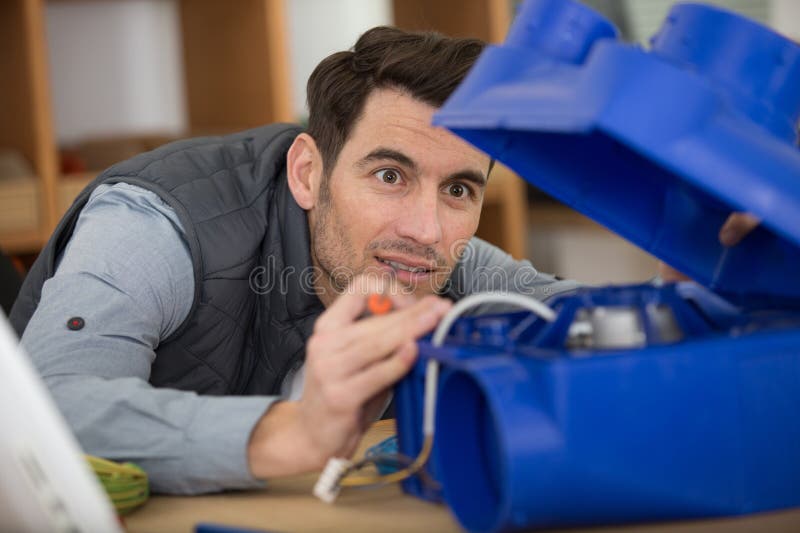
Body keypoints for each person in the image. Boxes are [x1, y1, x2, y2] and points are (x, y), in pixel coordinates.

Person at [10, 26, 756, 495]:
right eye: (390, 175)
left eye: (459, 188)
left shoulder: (446, 258)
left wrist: (695, 281)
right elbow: (46, 410)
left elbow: (586, 326)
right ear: (309, 172)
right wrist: (293, 431)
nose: (426, 229)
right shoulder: (155, 222)